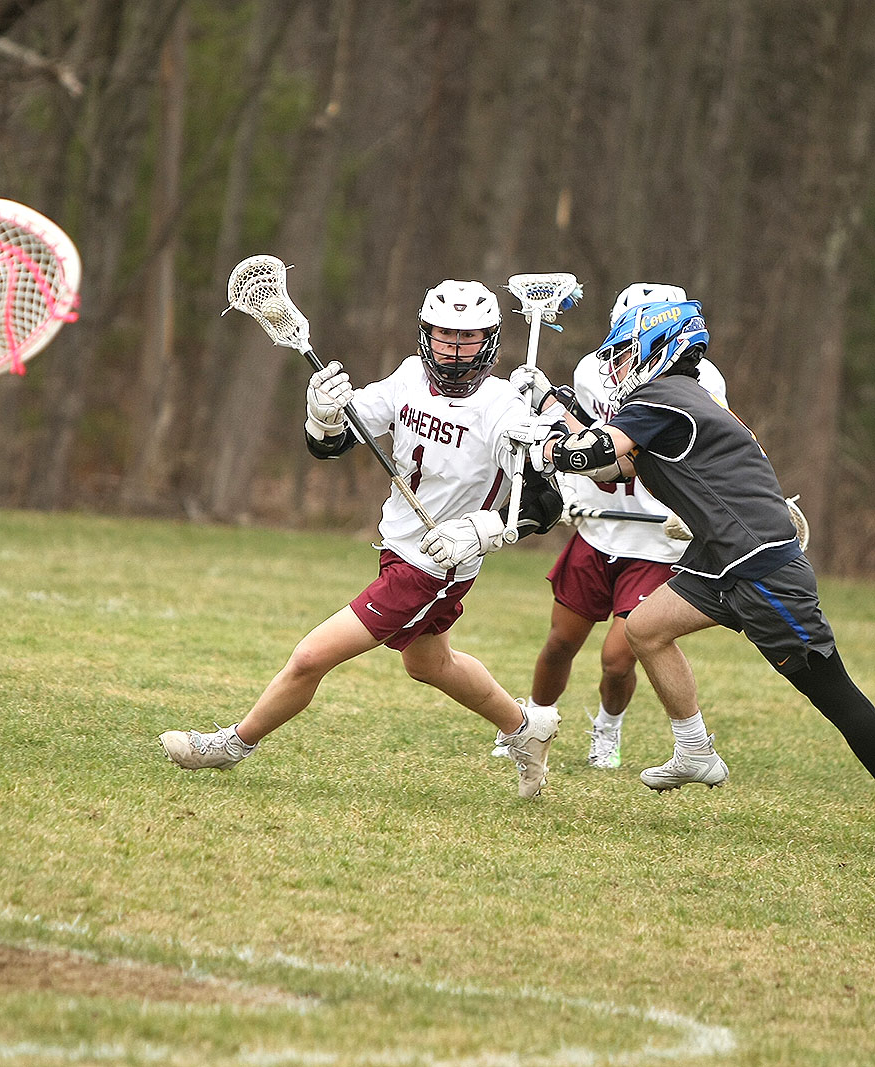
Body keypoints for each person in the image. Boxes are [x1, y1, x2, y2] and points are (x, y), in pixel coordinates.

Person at [159, 280, 565, 797]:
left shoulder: (504, 405)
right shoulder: (409, 377)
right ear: (426, 334)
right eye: (445, 335)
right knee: (429, 663)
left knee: (310, 658)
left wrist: (484, 530)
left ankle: (231, 745)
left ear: (491, 340)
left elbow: (545, 500)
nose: (455, 349)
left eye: (469, 337)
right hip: (400, 548)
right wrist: (322, 416)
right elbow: (332, 444)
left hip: (435, 566)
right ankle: (526, 727)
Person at [514, 298, 875, 790]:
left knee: (834, 694)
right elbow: (614, 465)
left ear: (658, 346)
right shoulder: (674, 400)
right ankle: (695, 752)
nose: (616, 366)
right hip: (721, 561)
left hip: (760, 568)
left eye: (622, 352)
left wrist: (537, 446)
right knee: (644, 629)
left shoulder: (664, 399)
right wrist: (553, 404)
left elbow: (593, 452)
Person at [500, 283, 727, 771]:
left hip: (655, 542)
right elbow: (588, 428)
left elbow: (638, 453)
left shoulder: (700, 381)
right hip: (598, 531)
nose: (618, 358)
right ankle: (531, 723)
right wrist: (547, 401)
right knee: (561, 641)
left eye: (631, 345)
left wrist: (696, 506)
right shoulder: (593, 370)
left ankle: (608, 728)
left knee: (618, 657)